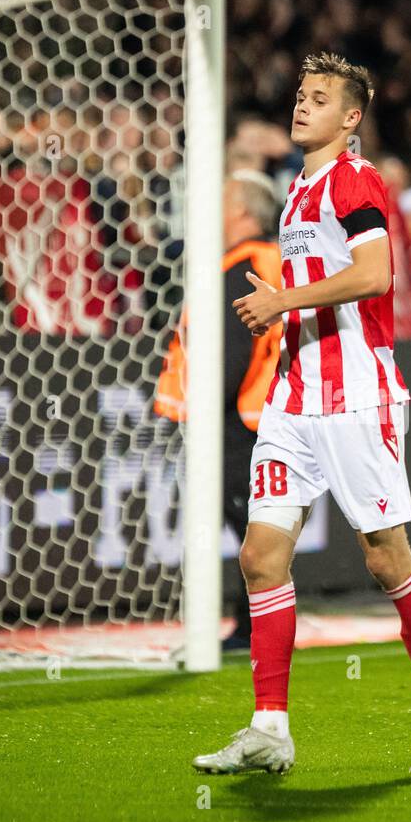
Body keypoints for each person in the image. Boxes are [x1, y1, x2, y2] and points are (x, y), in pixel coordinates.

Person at [193, 53, 411, 777]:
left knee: (386, 559)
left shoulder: (356, 179)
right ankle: (269, 727)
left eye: (319, 98)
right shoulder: (296, 192)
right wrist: (278, 313)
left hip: (356, 397)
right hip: (294, 396)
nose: (302, 105)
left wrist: (283, 300)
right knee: (259, 556)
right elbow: (321, 282)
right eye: (300, 94)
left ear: (351, 117)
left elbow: (377, 274)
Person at [154, 172, 284, 649]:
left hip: (240, 418)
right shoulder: (268, 259)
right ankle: (254, 624)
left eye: (223, 199)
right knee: (253, 523)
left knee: (246, 523)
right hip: (264, 413)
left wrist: (210, 407)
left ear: (242, 212)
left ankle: (251, 626)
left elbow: (236, 350)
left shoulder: (243, 265)